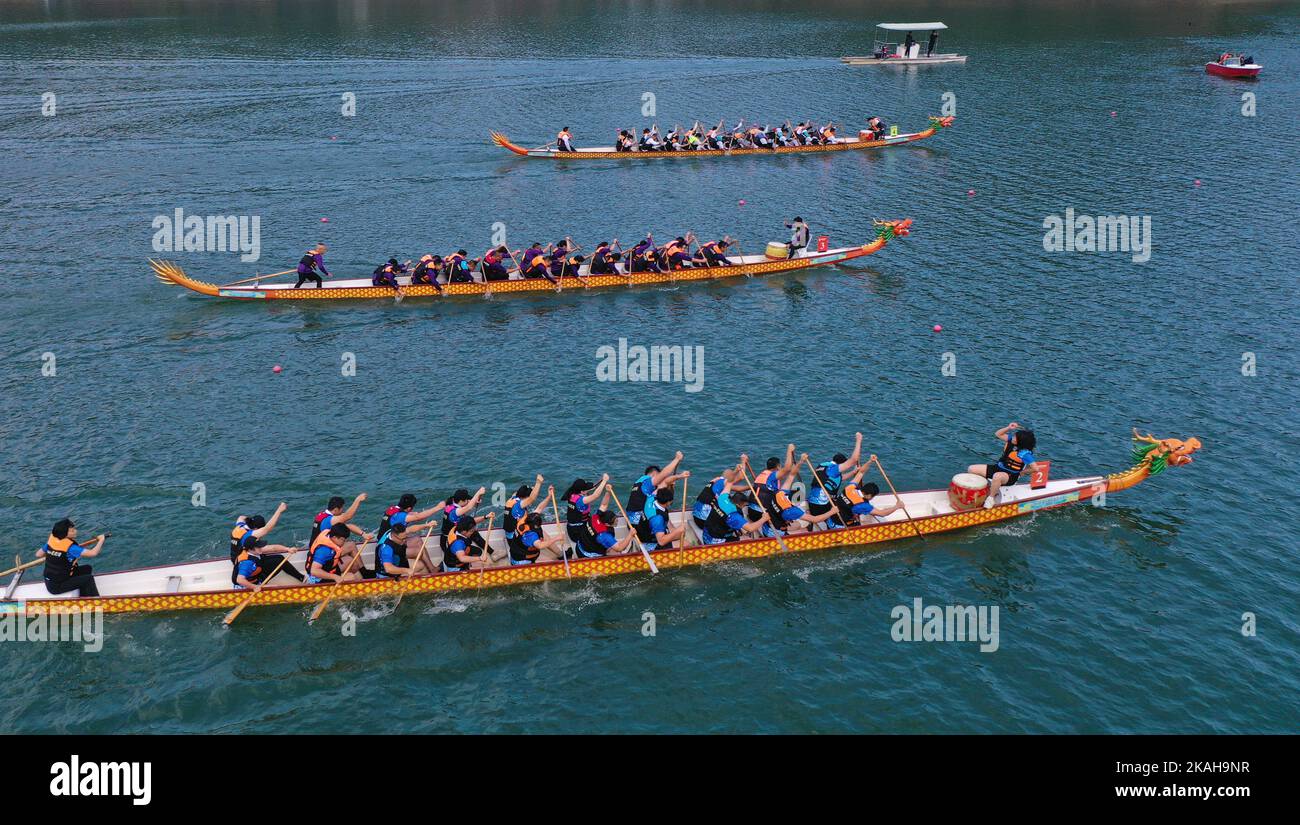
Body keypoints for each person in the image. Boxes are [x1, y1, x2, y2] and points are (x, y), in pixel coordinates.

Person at [968, 423, 1042, 508]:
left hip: (1011, 476)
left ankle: (991, 498)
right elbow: (998, 434)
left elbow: (1035, 468)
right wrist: (1008, 428)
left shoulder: (1025, 454)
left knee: (997, 476)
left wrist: (1023, 472)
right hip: (998, 468)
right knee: (971, 469)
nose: (1013, 437)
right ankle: (983, 490)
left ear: (1021, 441)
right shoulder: (1011, 440)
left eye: (1015, 437)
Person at [230, 503, 306, 582]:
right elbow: (267, 531)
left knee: (273, 556)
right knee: (279, 559)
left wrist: (287, 549)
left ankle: (300, 577)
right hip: (244, 562)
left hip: (237, 558)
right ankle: (261, 580)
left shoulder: (239, 527)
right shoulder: (248, 537)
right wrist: (279, 510)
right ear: (256, 528)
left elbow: (241, 517)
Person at [37, 519, 106, 597]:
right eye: (72, 531)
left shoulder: (51, 543)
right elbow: (93, 553)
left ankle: (84, 596)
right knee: (88, 579)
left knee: (87, 568)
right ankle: (96, 602)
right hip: (57, 586)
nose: (75, 531)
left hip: (51, 581)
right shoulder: (72, 548)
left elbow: (38, 554)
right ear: (64, 533)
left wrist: (54, 554)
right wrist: (101, 540)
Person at [807, 432, 863, 524]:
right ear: (840, 464)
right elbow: (853, 460)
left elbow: (838, 479)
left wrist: (853, 472)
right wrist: (858, 440)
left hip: (812, 503)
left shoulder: (823, 465)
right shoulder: (833, 469)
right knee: (846, 506)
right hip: (822, 506)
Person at [626, 452, 688, 530]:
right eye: (658, 477)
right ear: (654, 474)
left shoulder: (638, 483)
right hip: (640, 527)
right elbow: (664, 474)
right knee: (661, 513)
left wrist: (673, 482)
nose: (659, 480)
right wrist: (677, 459)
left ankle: (673, 531)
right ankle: (673, 533)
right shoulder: (647, 483)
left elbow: (668, 498)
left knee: (661, 509)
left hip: (631, 524)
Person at [834, 470, 904, 525]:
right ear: (869, 495)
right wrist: (897, 506)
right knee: (859, 520)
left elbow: (861, 472)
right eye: (873, 496)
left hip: (832, 516)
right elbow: (882, 514)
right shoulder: (863, 505)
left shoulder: (850, 488)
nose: (872, 498)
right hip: (839, 524)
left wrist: (870, 461)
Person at [504, 477, 549, 561]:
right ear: (525, 497)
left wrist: (532, 489)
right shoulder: (519, 506)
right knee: (543, 534)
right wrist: (538, 483)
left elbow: (524, 494)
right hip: (514, 538)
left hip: (510, 533)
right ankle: (561, 554)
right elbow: (532, 498)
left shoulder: (513, 498)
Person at [565, 475, 611, 556]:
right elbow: (595, 495)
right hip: (577, 532)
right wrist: (605, 481)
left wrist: (601, 480)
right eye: (585, 489)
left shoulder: (571, 494)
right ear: (582, 491)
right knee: (597, 529)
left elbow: (592, 488)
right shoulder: (581, 501)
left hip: (571, 528)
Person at [439, 487, 489, 553]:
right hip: (450, 541)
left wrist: (475, 500)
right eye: (466, 500)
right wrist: (479, 492)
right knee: (473, 533)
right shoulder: (456, 512)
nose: (468, 501)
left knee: (471, 530)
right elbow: (469, 507)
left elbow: (468, 503)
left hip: (449, 535)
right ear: (461, 501)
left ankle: (490, 551)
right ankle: (491, 552)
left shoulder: (451, 503)